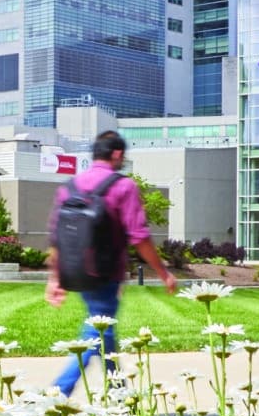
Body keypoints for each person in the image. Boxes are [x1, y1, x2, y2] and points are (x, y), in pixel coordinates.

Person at [44, 130, 179, 397]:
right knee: (95, 333)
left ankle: (119, 395)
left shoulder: (69, 187)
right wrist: (164, 273)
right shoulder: (123, 186)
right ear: (117, 154)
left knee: (105, 332)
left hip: (76, 272)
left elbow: (56, 236)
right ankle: (57, 395)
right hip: (105, 274)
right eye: (123, 156)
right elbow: (139, 237)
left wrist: (54, 279)